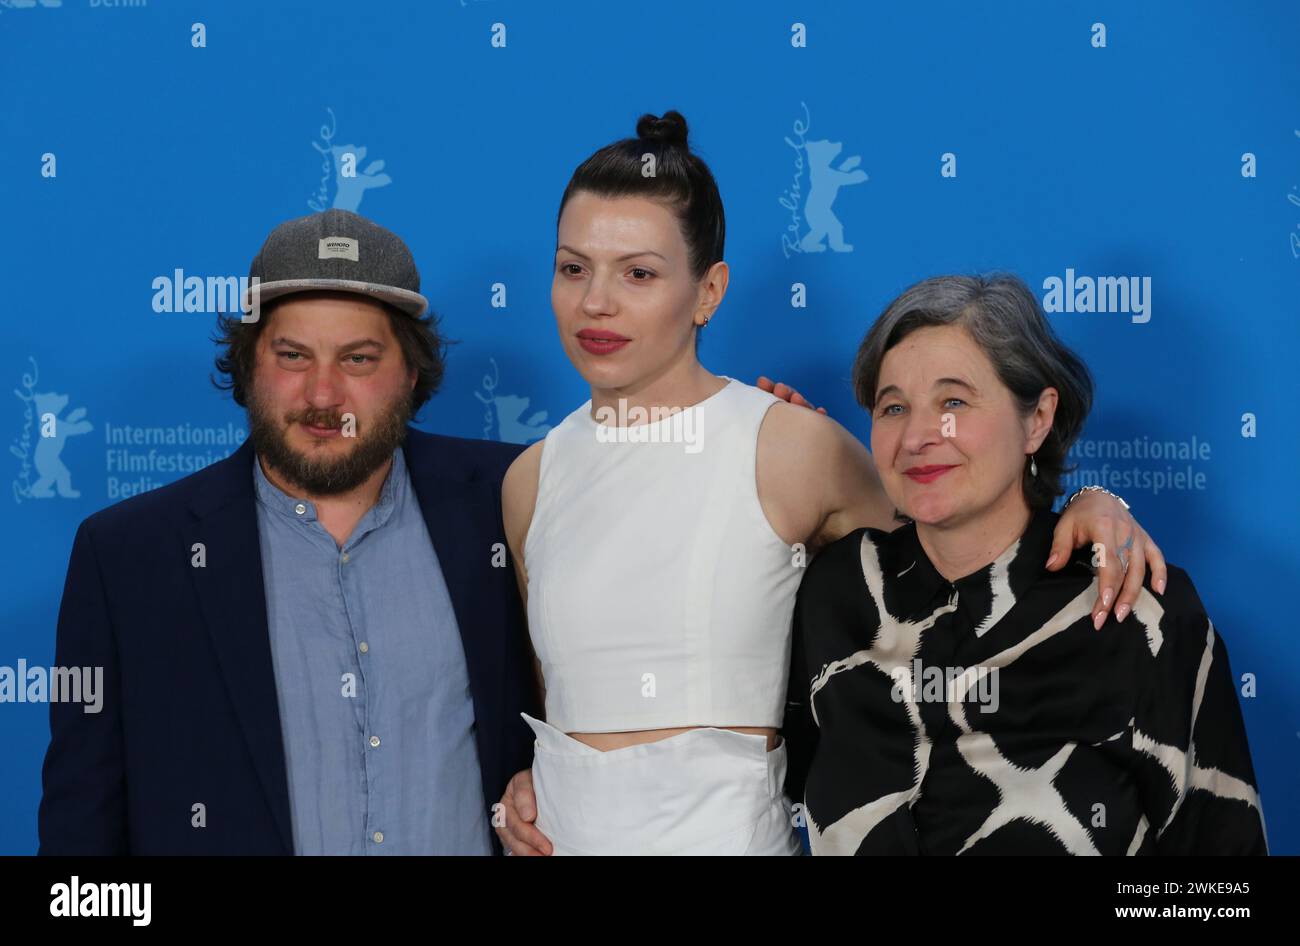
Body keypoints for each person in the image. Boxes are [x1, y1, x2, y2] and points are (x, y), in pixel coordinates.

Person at [494, 112, 1161, 855]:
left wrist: (1094, 502)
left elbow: (964, 550)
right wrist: (528, 782)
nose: (596, 302)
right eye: (573, 268)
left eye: (639, 273)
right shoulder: (530, 480)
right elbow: (559, 707)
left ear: (709, 290)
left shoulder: (791, 448)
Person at [38, 209, 539, 855]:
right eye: (293, 356)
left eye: (358, 359)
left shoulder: (514, 500)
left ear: (412, 371)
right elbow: (81, 831)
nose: (323, 395)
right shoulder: (130, 556)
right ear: (249, 366)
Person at [788, 273, 1267, 854]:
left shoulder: (1134, 608)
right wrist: (785, 460)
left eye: (953, 402)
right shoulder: (836, 591)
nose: (916, 436)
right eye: (893, 407)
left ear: (1037, 419)